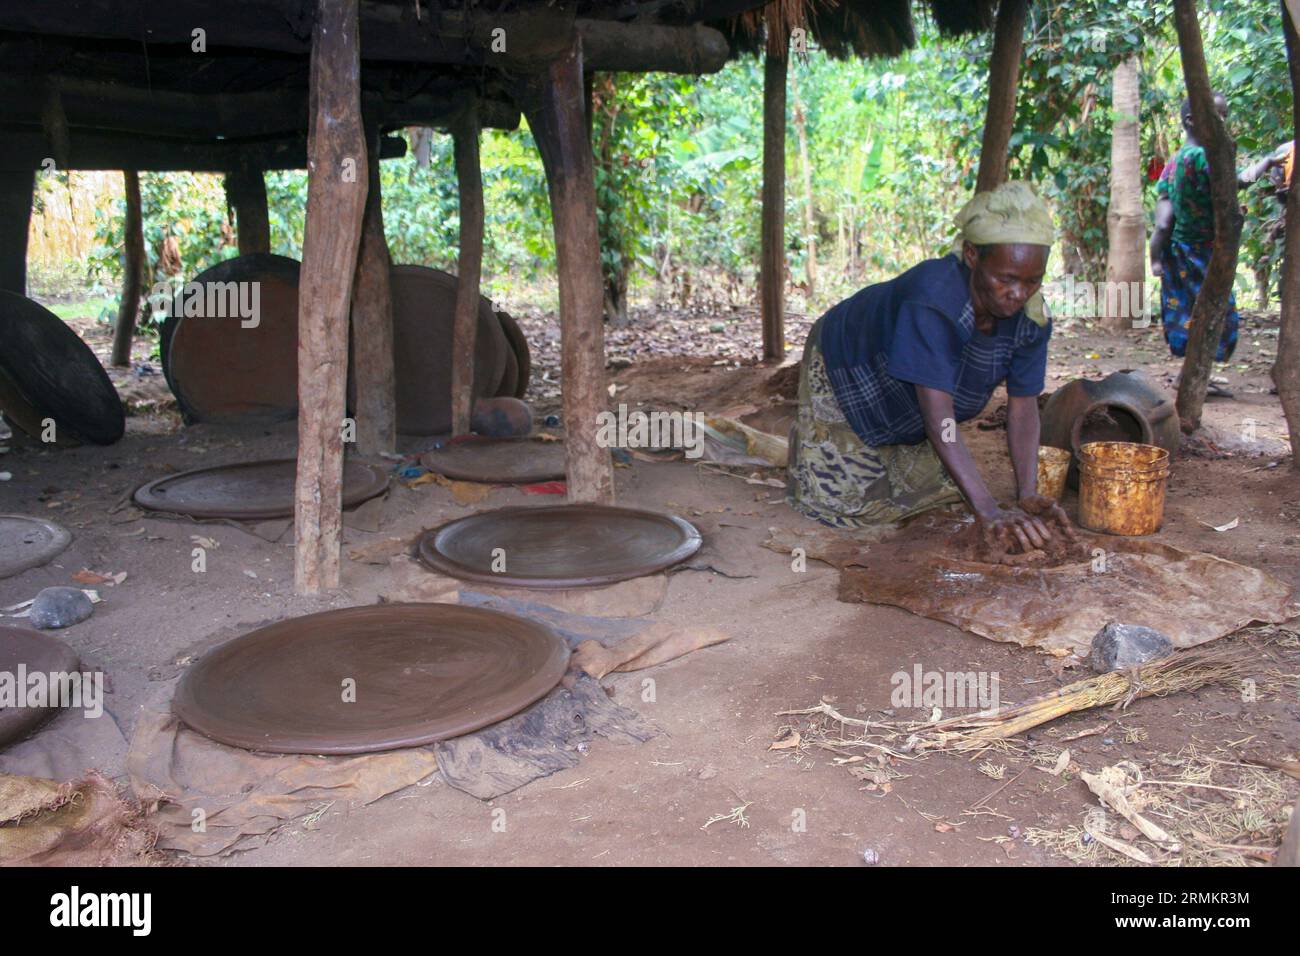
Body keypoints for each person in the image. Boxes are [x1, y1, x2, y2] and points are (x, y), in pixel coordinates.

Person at [786, 181, 1064, 553]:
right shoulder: (934, 299)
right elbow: (938, 416)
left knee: (932, 500)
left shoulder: (1032, 318)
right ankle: (812, 440)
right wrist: (987, 509)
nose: (1018, 293)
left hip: (911, 395)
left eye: (1033, 280)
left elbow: (1024, 407)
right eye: (1006, 278)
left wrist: (1028, 493)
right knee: (852, 512)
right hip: (849, 365)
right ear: (971, 255)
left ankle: (865, 449)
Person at [1150, 94, 1278, 393]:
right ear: (1191, 121)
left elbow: (1164, 213)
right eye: (1216, 116)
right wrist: (1268, 161)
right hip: (1202, 253)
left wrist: (1157, 255)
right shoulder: (1203, 157)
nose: (1222, 122)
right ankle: (1191, 380)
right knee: (1214, 313)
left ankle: (1191, 377)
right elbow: (1238, 180)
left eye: (1224, 116)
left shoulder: (1177, 159)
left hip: (1179, 252)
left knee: (1190, 313)